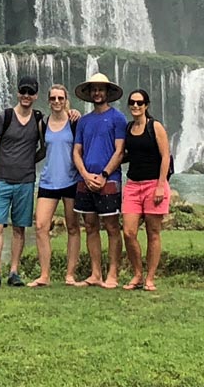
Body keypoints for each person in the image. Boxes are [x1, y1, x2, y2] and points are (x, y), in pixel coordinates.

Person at [0, 75, 42, 287]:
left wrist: (30, 160)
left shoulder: (38, 119)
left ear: (36, 95)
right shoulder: (5, 117)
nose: (26, 96)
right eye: (23, 91)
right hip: (2, 180)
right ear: (17, 93)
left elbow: (47, 145)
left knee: (19, 228)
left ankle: (14, 271)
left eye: (30, 92)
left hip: (25, 181)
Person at [72, 72, 126, 289]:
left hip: (109, 180)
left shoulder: (118, 118)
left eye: (100, 89)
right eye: (94, 89)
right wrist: (85, 175)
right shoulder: (84, 121)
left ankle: (112, 274)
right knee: (91, 226)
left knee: (112, 226)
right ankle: (95, 273)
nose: (97, 93)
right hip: (85, 180)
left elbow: (120, 151)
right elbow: (77, 151)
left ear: (108, 93)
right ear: (89, 93)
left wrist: (103, 175)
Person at [28, 84, 81, 287]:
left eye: (60, 98)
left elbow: (81, 149)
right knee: (41, 226)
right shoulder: (43, 123)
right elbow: (42, 150)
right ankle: (44, 275)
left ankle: (70, 275)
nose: (57, 102)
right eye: (53, 98)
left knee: (73, 227)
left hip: (71, 180)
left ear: (66, 99)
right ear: (48, 101)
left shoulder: (75, 122)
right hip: (49, 181)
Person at [120, 88, 172, 291]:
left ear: (146, 106)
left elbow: (165, 156)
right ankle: (137, 274)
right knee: (129, 232)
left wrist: (161, 185)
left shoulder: (155, 126)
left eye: (139, 103)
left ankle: (150, 278)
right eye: (132, 102)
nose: (135, 106)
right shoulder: (128, 128)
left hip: (153, 185)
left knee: (153, 232)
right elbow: (123, 154)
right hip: (133, 185)